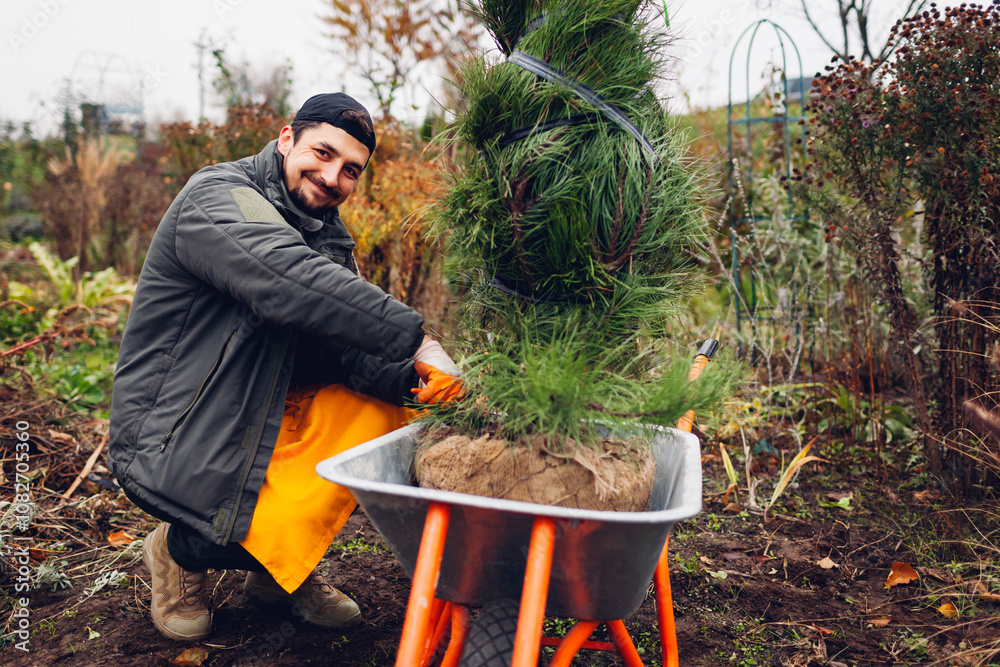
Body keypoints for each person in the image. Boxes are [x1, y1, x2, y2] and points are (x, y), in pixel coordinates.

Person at [108, 93, 462, 642]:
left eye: (350, 170)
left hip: (265, 405)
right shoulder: (223, 196)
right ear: (285, 139)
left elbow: (337, 346)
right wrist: (415, 339)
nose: (331, 176)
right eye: (322, 152)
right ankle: (177, 553)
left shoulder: (327, 234)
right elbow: (283, 278)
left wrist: (409, 377)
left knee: (379, 413)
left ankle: (281, 571)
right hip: (185, 426)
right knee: (239, 502)